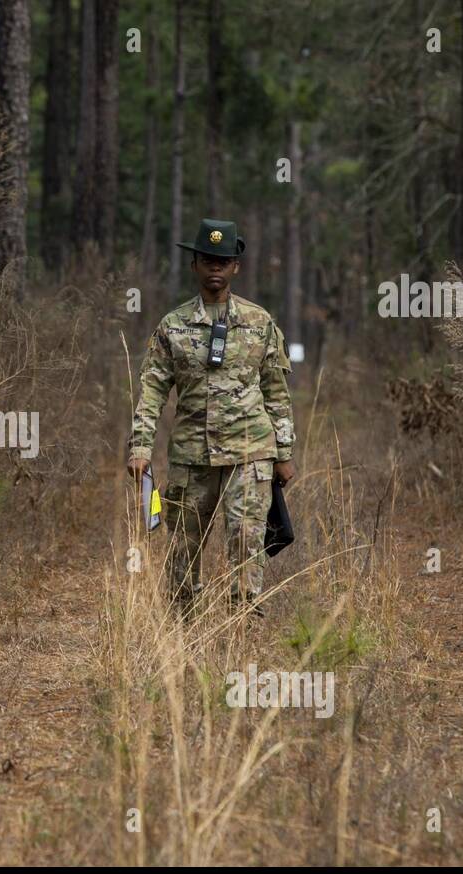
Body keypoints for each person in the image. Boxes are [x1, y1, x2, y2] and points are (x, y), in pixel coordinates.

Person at [127, 219, 296, 616]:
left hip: (250, 452)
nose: (215, 267)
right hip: (191, 456)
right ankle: (184, 625)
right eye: (207, 259)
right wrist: (140, 446)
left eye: (223, 260)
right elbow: (152, 390)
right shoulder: (173, 326)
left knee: (245, 541)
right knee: (183, 545)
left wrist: (284, 452)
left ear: (236, 265)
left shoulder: (259, 323)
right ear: (195, 265)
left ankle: (241, 625)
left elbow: (276, 390)